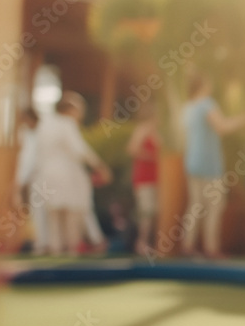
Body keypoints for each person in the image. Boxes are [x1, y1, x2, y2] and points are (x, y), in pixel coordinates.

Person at [180, 72, 245, 259]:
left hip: (192, 162)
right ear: (202, 85)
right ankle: (211, 248)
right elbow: (222, 127)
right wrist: (243, 119)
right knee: (215, 205)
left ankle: (187, 246)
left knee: (195, 204)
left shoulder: (187, 108)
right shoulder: (207, 104)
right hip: (209, 163)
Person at [36, 92, 111, 256]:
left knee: (53, 214)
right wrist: (99, 165)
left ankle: (55, 249)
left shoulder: (44, 124)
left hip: (46, 174)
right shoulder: (67, 123)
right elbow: (79, 150)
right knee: (71, 213)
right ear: (71, 110)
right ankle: (71, 249)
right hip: (66, 174)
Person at [12, 107, 50, 255]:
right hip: (37, 177)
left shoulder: (42, 132)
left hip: (46, 175)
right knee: (38, 211)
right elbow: (27, 160)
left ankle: (45, 244)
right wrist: (19, 181)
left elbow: (28, 159)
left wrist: (19, 181)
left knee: (45, 211)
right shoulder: (28, 134)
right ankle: (41, 243)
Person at [128, 101, 161, 255]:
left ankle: (153, 244)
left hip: (158, 178)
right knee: (146, 211)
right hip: (144, 177)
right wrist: (152, 157)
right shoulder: (142, 129)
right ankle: (141, 243)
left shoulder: (158, 132)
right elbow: (132, 149)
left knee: (155, 211)